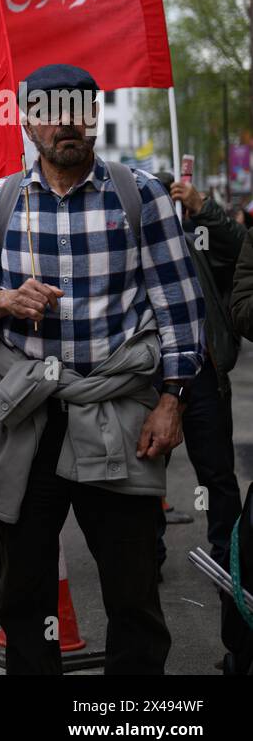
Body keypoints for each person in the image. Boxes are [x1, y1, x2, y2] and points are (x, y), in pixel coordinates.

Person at [0, 63, 205, 675]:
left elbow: (179, 307)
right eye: (51, 110)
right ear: (29, 122)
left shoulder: (141, 197)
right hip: (29, 418)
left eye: (80, 110)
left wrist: (172, 400)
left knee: (133, 591)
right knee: (25, 593)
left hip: (118, 414)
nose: (67, 122)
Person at [152, 172, 243, 571]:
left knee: (218, 473)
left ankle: (230, 560)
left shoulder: (195, 241)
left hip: (202, 371)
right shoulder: (131, 244)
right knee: (147, 473)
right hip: (151, 375)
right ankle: (146, 556)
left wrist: (202, 206)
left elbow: (241, 249)